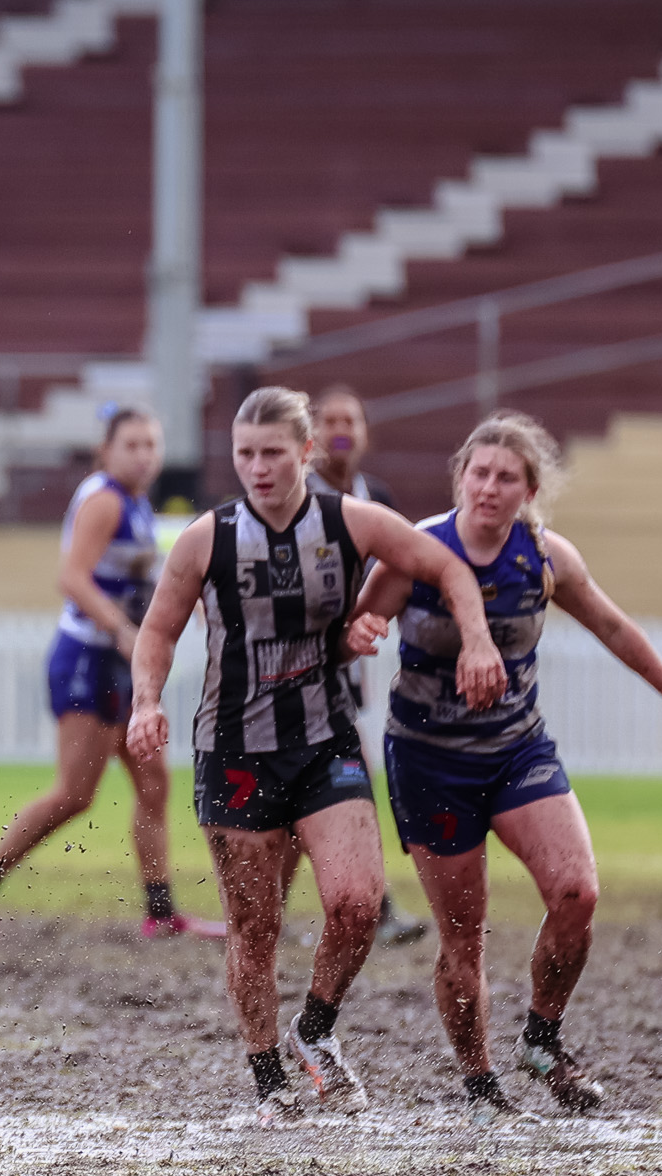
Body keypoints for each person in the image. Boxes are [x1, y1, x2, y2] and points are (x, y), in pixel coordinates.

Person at [125, 386, 507, 1125]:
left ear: (304, 452)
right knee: (255, 926)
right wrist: (146, 700)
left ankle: (317, 1029)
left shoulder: (349, 521)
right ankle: (269, 1078)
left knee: (359, 903)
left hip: (326, 739)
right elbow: (158, 632)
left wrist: (479, 638)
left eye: (272, 453)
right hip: (234, 750)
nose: (258, 468)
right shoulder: (207, 538)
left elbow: (450, 566)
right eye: (244, 455)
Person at [344, 412, 662, 1118]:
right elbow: (353, 628)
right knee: (464, 936)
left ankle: (542, 1039)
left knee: (578, 893)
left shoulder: (546, 557)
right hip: (430, 761)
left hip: (517, 750)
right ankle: (481, 1081)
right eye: (479, 472)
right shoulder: (415, 551)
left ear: (530, 489)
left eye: (506, 477)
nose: (489, 487)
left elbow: (612, 625)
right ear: (460, 477)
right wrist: (361, 633)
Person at [0, 406, 221, 941]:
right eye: (133, 445)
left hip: (118, 663)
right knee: (74, 794)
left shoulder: (137, 505)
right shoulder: (104, 500)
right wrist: (123, 629)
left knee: (153, 782)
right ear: (106, 451)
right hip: (87, 661)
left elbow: (155, 579)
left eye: (152, 444)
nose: (144, 455)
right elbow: (71, 578)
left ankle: (161, 911)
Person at [300, 385, 426, 947]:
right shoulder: (295, 495)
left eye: (349, 419)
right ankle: (375, 907)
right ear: (311, 434)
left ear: (366, 431)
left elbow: (407, 567)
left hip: (347, 663)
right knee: (332, 780)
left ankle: (373, 905)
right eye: (329, 420)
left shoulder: (376, 496)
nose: (340, 429)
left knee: (345, 776)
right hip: (299, 661)